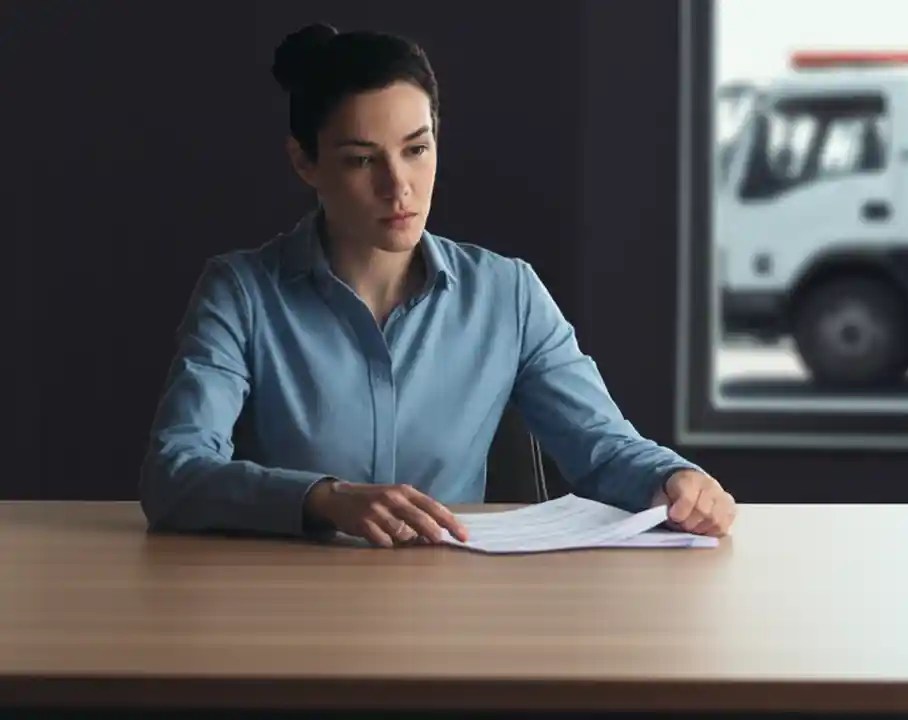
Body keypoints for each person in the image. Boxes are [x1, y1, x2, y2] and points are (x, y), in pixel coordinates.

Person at [139, 23, 736, 548]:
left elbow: (603, 449)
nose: (398, 186)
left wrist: (676, 480)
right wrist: (326, 498)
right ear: (305, 162)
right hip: (288, 607)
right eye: (360, 160)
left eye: (416, 149)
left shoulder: (509, 294)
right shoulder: (241, 293)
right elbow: (176, 471)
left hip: (456, 610)